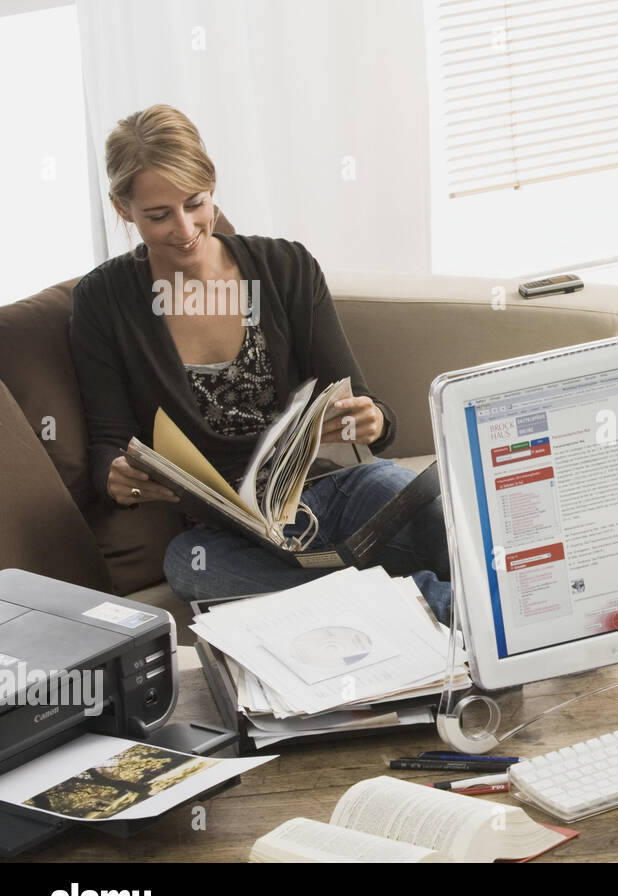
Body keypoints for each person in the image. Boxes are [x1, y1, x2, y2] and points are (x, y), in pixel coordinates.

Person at [69, 104, 452, 622]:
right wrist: (113, 476)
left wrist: (373, 418)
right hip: (230, 529)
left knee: (420, 502)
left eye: (195, 203)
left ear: (212, 188)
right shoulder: (103, 301)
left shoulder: (284, 266)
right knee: (190, 569)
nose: (184, 229)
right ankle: (416, 602)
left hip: (329, 491)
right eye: (158, 215)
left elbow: (366, 411)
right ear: (123, 209)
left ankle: (379, 599)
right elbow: (107, 441)